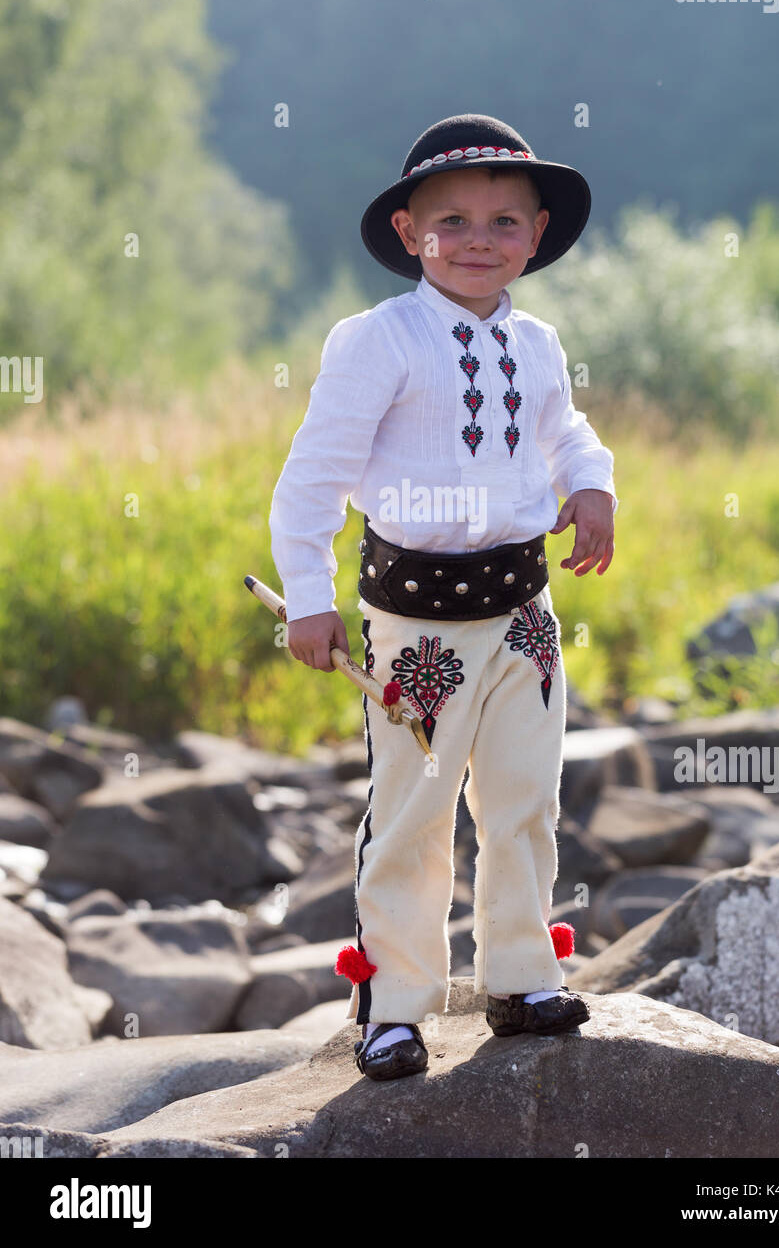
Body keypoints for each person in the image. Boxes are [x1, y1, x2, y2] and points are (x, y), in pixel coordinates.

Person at [269, 113, 617, 1081]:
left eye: (503, 221)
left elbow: (568, 430)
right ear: (407, 235)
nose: (476, 240)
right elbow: (310, 478)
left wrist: (590, 484)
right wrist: (308, 590)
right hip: (414, 626)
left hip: (522, 621)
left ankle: (518, 978)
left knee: (522, 802)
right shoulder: (377, 341)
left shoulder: (539, 343)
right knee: (413, 817)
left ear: (536, 236)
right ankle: (393, 1006)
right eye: (450, 220)